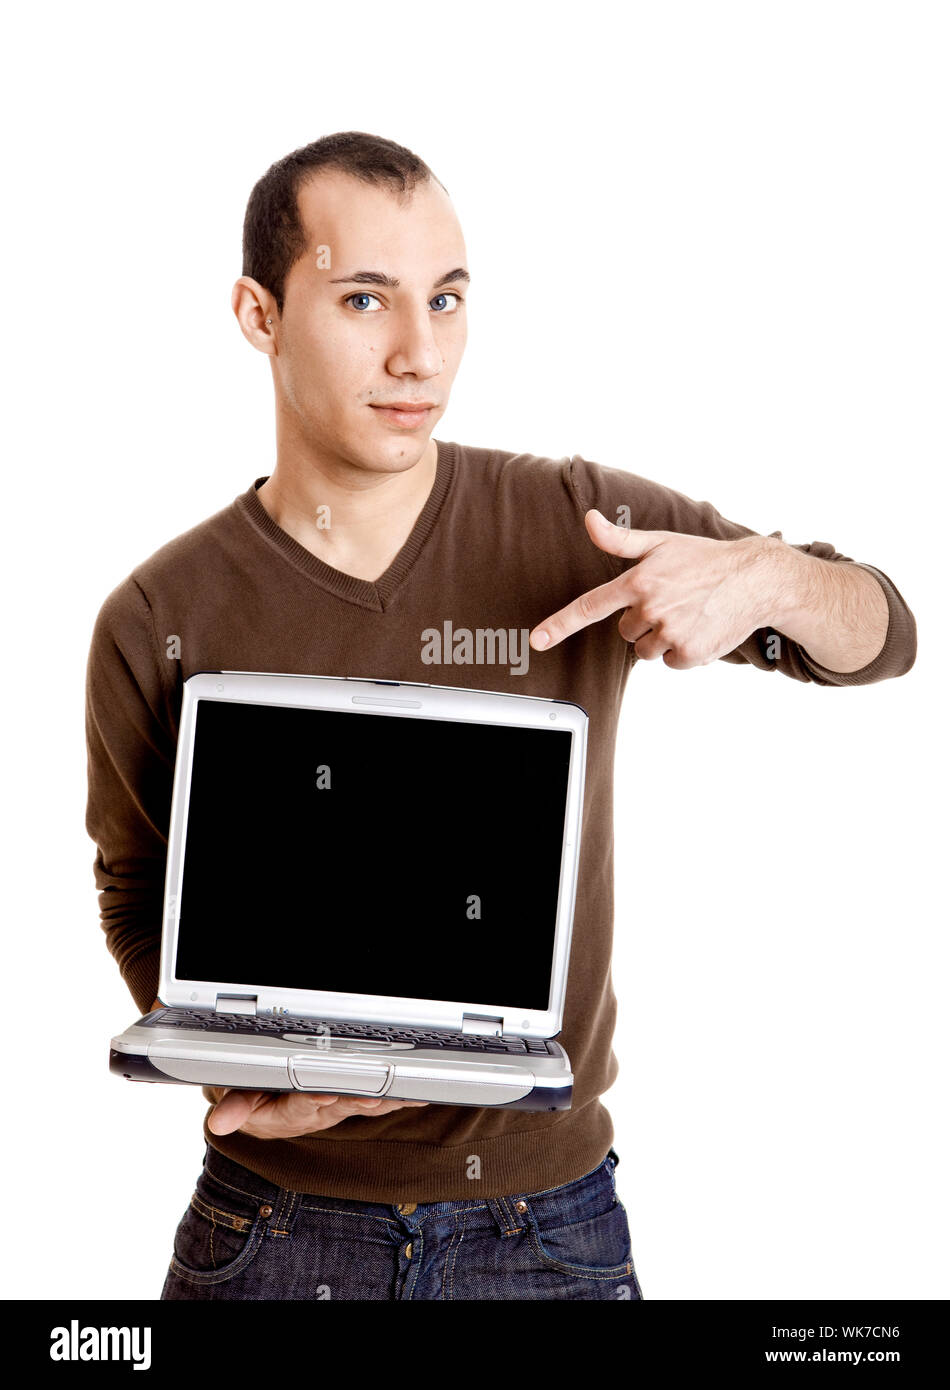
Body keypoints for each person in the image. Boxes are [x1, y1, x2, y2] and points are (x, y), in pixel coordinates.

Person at [85, 131, 917, 1302]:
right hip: (270, 1232)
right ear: (259, 314)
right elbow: (133, 890)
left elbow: (881, 635)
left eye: (447, 299)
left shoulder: (574, 520)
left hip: (546, 1228)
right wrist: (261, 1061)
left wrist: (770, 578)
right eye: (363, 297)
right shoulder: (156, 613)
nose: (418, 352)